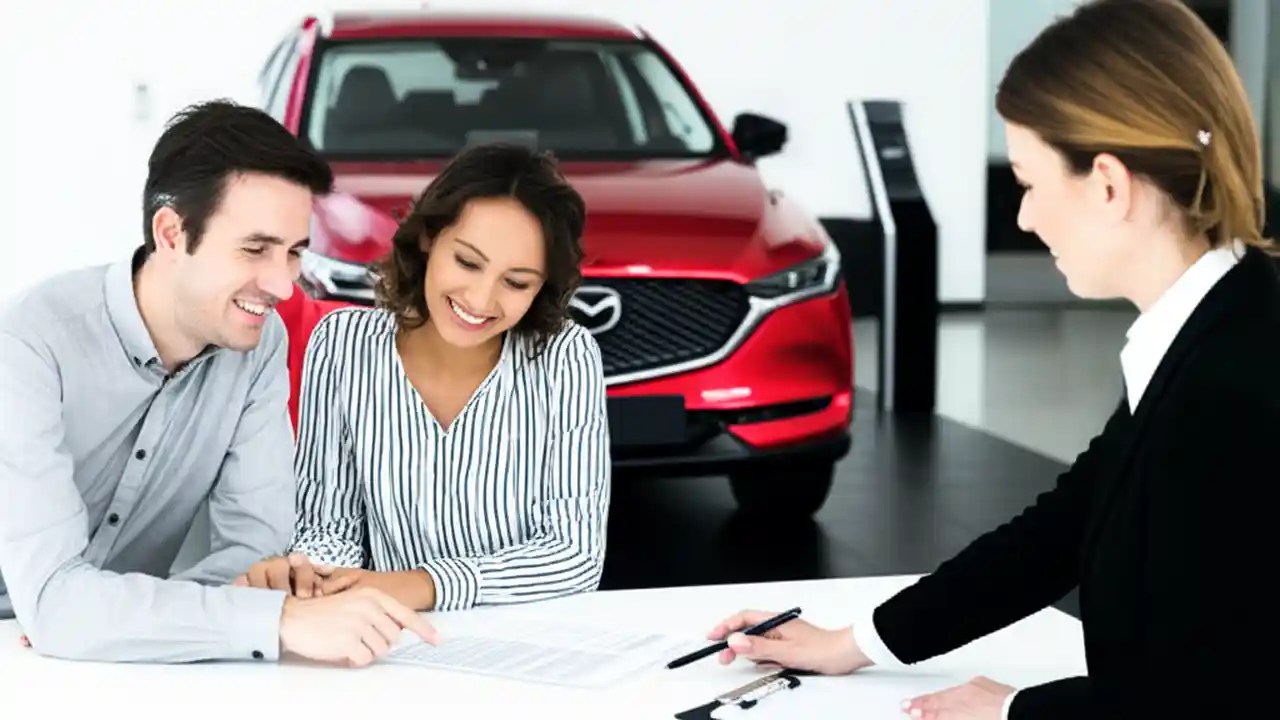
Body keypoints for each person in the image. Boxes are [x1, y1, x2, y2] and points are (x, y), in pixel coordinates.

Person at [705, 1, 1276, 717]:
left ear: (1108, 184)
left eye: (1030, 183)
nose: (1024, 217)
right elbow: (1062, 528)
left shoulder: (1234, 385)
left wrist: (1017, 712)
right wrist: (857, 643)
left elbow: (1221, 693)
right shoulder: (1218, 324)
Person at [0, 99, 435, 666]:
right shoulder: (31, 342)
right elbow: (56, 609)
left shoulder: (258, 344)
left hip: (107, 667)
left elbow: (251, 556)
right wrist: (275, 620)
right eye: (255, 249)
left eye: (295, 253)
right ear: (172, 233)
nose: (283, 285)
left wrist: (109, 619)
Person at [238, 143, 611, 613]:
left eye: (516, 282)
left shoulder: (566, 356)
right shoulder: (342, 345)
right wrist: (313, 577)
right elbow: (328, 528)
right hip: (388, 638)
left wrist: (419, 586)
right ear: (429, 237)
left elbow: (574, 557)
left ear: (541, 287)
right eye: (468, 263)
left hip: (530, 645)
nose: (480, 298)